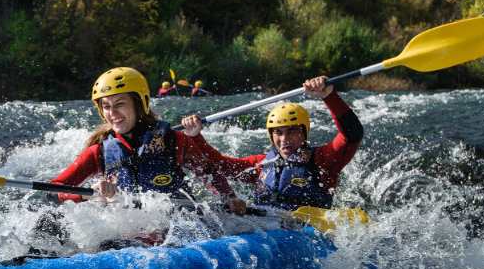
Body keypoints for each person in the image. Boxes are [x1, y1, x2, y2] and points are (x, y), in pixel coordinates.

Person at [51, 67, 247, 215]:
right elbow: (55, 190)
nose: (113, 114)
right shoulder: (99, 151)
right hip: (129, 230)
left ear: (139, 104)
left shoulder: (172, 139)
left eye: (120, 104)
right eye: (107, 107)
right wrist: (87, 193)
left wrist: (229, 197)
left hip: (178, 226)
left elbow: (208, 172)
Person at [231, 76, 363, 210]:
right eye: (278, 132)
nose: (284, 139)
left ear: (304, 133)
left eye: (292, 131)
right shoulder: (261, 164)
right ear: (271, 136)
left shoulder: (322, 160)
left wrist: (329, 96)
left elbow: (353, 134)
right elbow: (216, 165)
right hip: (264, 227)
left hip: (307, 229)